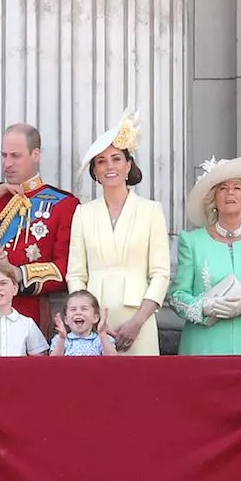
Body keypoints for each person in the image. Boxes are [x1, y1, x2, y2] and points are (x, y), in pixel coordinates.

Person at [65, 110, 172, 355]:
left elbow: (160, 274)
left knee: (141, 389)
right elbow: (76, 273)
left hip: (139, 318)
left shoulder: (151, 210)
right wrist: (85, 317)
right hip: (93, 322)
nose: (109, 166)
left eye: (116, 158)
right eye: (101, 161)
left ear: (128, 165)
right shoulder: (83, 213)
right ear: (95, 171)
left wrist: (138, 321)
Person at [169, 155, 241, 356]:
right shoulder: (192, 241)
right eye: (222, 188)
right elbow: (177, 297)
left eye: (237, 187)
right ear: (213, 198)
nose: (230, 193)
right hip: (204, 348)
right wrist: (205, 306)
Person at [0, 123, 78, 332]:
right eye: (3, 155)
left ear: (35, 154)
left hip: (28, 313)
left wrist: (17, 274)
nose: (7, 163)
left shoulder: (63, 204)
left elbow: (65, 268)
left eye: (15, 156)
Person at [53, 290, 115, 356]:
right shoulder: (60, 339)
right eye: (73, 309)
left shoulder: (100, 340)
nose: (78, 313)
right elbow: (52, 363)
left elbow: (113, 361)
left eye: (84, 309)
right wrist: (61, 339)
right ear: (66, 320)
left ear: (95, 318)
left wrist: (102, 333)